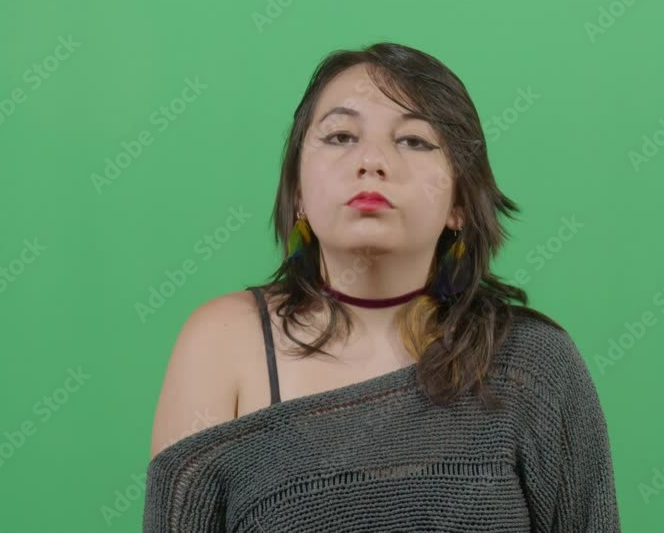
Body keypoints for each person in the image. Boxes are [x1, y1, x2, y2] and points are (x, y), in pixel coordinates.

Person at [143, 41, 620, 532]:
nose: (371, 161)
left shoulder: (533, 364)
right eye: (341, 136)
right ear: (299, 191)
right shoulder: (220, 342)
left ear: (459, 201)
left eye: (413, 141)